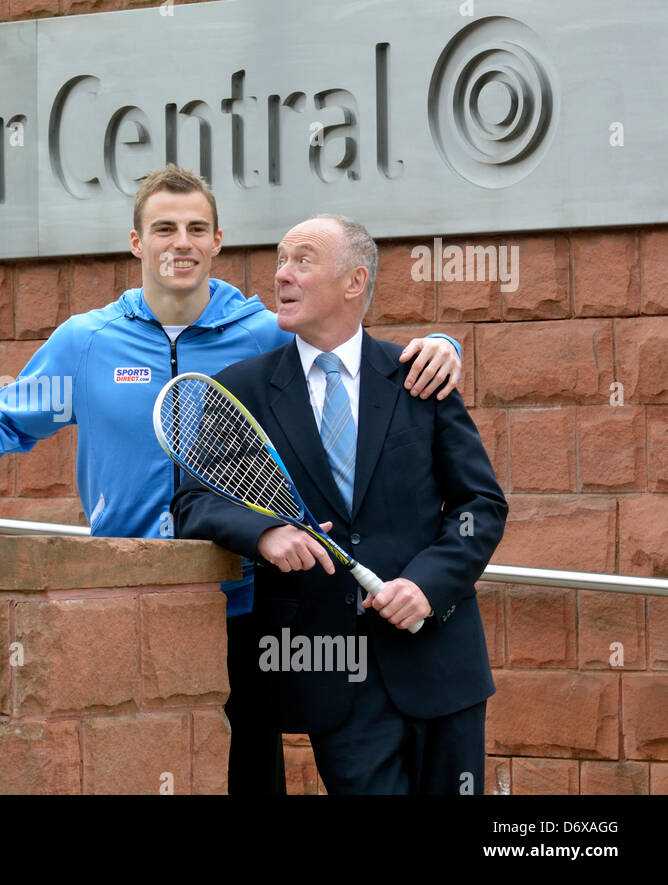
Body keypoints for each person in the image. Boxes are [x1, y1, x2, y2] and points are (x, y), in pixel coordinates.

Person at [0, 165, 464, 794]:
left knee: (250, 778)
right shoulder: (87, 342)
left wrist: (439, 343)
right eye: (163, 228)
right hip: (126, 595)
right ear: (137, 242)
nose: (180, 243)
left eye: (196, 228)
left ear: (219, 240)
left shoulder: (265, 334)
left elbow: (349, 350)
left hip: (246, 605)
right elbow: (2, 419)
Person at [171, 214, 507, 794]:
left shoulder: (417, 378)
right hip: (328, 671)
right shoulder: (242, 387)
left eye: (303, 260)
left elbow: (480, 503)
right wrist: (263, 533)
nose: (282, 275)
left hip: (440, 660)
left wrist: (427, 584)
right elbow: (192, 500)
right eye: (281, 260)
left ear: (355, 281)